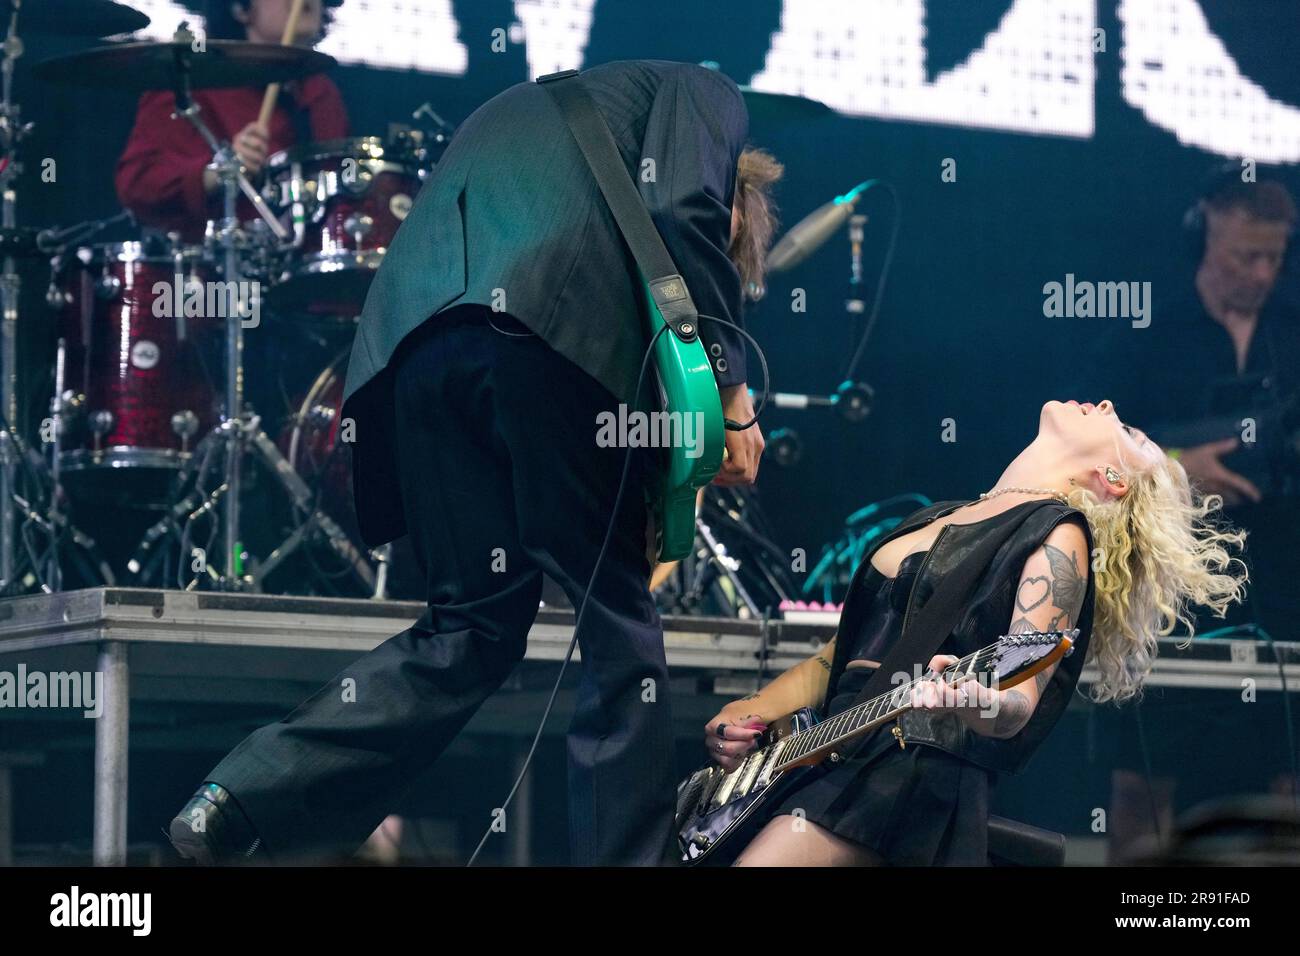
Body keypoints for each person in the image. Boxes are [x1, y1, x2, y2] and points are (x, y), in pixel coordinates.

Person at [166, 60, 782, 866]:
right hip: (545, 330)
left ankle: (242, 798)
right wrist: (730, 394)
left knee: (469, 628)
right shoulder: (710, 92)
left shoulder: (534, 112)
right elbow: (681, 208)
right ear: (742, 193)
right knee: (617, 625)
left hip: (409, 352)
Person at [703, 399, 1245, 866]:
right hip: (833, 750)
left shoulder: (1058, 534)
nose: (1105, 405)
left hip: (904, 773)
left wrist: (976, 699)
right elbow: (838, 659)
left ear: (1114, 479)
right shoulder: (943, 513)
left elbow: (1017, 696)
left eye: (1127, 431)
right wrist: (756, 706)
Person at [1088, 166, 1299, 858]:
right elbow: (1093, 447)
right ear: (1204, 239)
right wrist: (1179, 466)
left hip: (1282, 577)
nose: (1263, 272)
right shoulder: (1150, 331)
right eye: (1247, 255)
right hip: (1170, 591)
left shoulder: (1291, 333)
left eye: (1275, 256)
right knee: (1142, 786)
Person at [115, 0, 348, 242]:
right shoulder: (192, 81)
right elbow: (137, 186)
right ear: (240, 8)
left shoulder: (322, 93)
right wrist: (216, 173)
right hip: (220, 270)